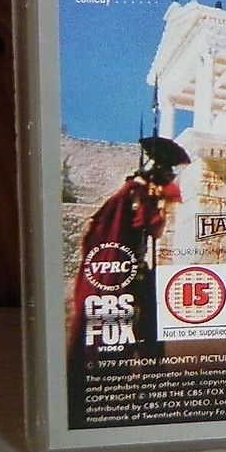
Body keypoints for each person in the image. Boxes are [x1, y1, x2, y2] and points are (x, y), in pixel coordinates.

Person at [66, 136, 191, 422]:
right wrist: (162, 206)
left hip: (128, 273)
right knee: (123, 337)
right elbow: (153, 228)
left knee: (144, 331)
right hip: (122, 278)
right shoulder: (136, 195)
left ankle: (146, 388)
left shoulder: (132, 192)